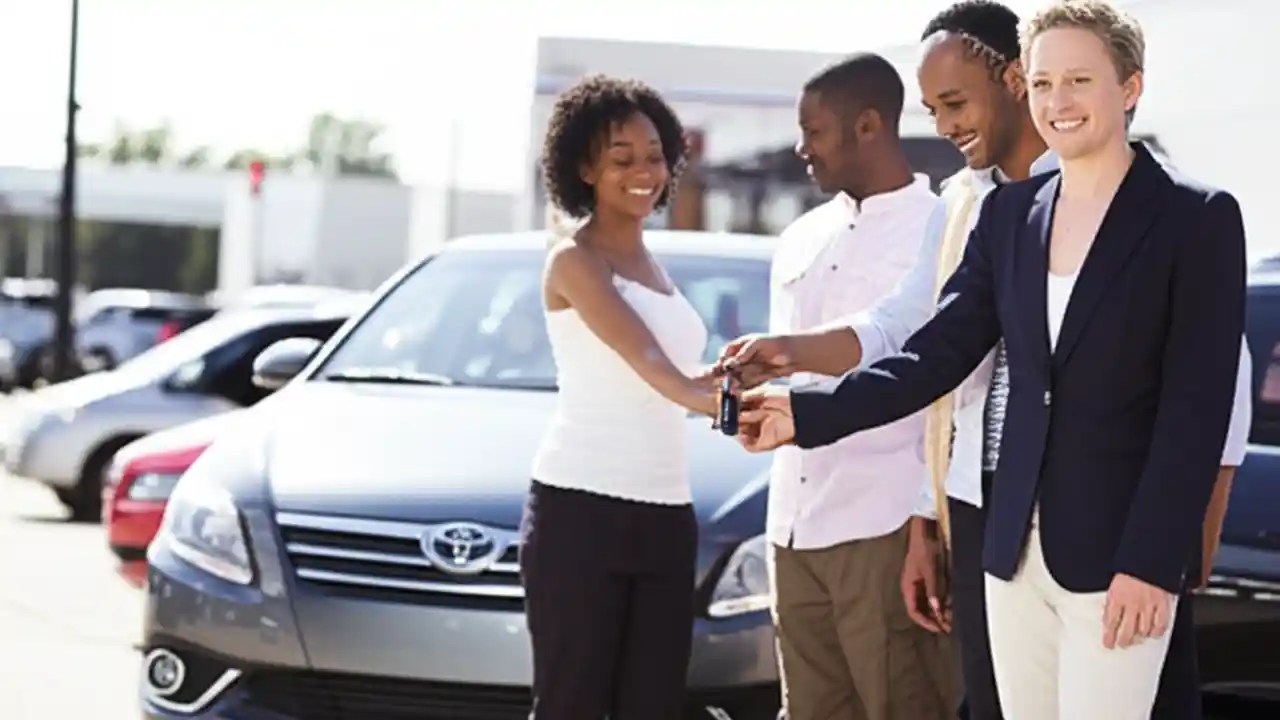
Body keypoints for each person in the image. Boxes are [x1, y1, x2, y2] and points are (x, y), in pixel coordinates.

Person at [716, 2, 1251, 719]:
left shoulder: (1197, 217)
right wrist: (805, 414)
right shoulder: (1008, 217)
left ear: (1130, 87)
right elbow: (934, 355)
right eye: (1044, 82)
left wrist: (1155, 561)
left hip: (1119, 561)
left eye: (1080, 81)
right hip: (1010, 553)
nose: (1058, 102)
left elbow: (1199, 405)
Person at [758, 53, 959, 720]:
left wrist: (926, 524)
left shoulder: (944, 228)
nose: (801, 148)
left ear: (867, 125)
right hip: (792, 528)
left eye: (813, 130)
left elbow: (945, 383)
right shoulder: (797, 238)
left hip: (886, 527)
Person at [520, 74, 719, 719]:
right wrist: (722, 404)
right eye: (622, 159)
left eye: (656, 156)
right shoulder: (573, 263)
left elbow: (679, 378)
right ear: (583, 167)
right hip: (581, 515)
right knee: (572, 705)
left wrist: (742, 374)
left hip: (666, 515)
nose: (645, 172)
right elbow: (647, 361)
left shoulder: (656, 268)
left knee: (653, 706)